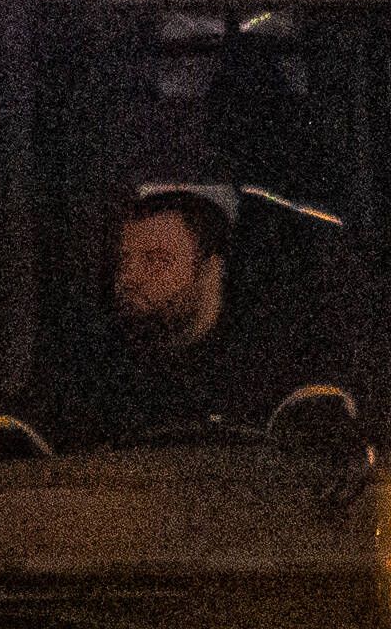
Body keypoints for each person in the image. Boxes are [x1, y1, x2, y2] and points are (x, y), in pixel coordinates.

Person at [87, 186, 326, 441]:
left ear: (211, 270)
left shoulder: (271, 371)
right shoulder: (104, 372)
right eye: (125, 260)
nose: (128, 278)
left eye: (157, 260)